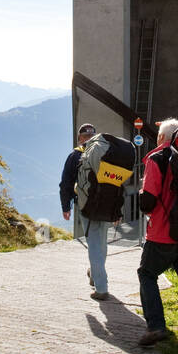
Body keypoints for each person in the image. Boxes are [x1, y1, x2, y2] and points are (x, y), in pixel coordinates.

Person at [135, 118, 178, 350]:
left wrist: (141, 191)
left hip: (162, 233)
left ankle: (156, 325)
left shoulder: (157, 158)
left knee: (146, 274)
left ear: (163, 138)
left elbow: (148, 203)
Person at [59, 123, 113, 301]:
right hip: (105, 204)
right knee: (102, 243)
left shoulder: (75, 155)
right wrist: (117, 209)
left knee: (94, 245)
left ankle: (101, 287)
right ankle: (95, 274)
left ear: (79, 138)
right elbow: (115, 182)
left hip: (86, 206)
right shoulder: (106, 152)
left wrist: (65, 206)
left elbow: (66, 183)